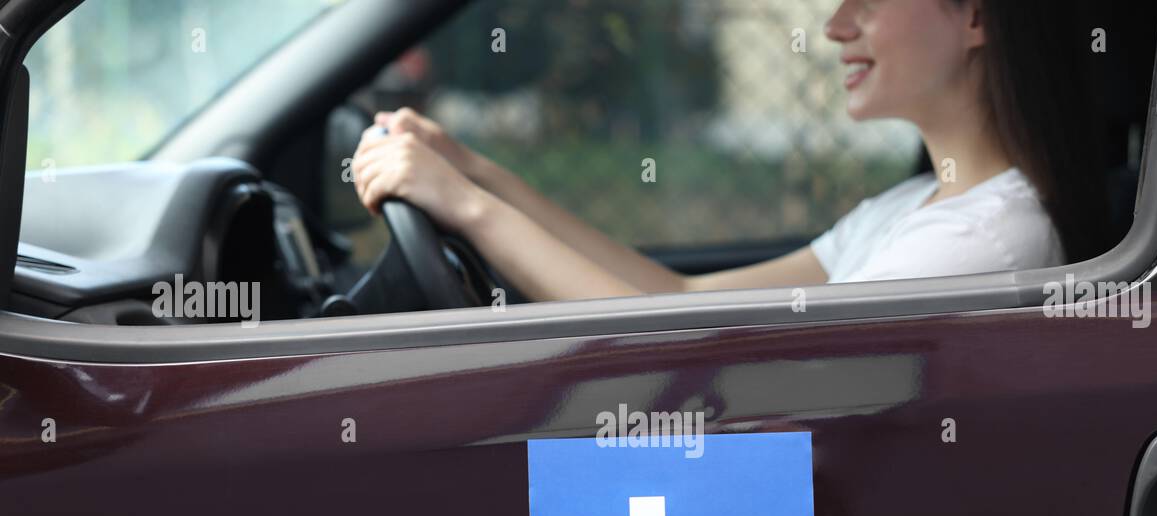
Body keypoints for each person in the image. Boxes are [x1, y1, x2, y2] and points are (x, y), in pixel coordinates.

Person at [350, 0, 1106, 303]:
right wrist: (483, 176)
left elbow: (710, 361)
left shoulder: (981, 242)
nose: (838, 24)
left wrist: (472, 211)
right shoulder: (917, 207)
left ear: (975, 15)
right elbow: (682, 303)